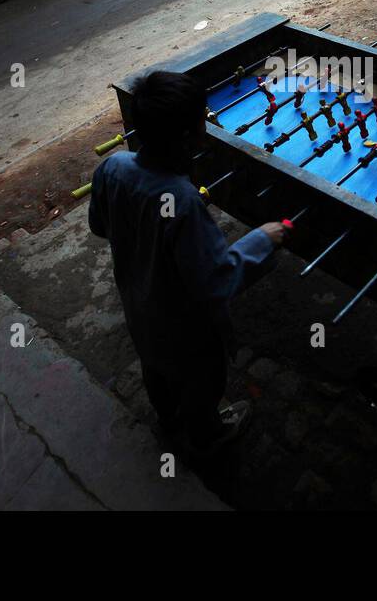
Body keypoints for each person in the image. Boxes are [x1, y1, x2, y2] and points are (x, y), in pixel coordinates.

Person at [88, 70, 287, 457]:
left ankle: (168, 417)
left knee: (155, 367)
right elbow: (217, 279)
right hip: (186, 329)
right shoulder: (181, 200)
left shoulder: (111, 169)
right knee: (202, 381)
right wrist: (263, 239)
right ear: (188, 136)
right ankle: (209, 432)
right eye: (202, 118)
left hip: (137, 306)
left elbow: (100, 225)